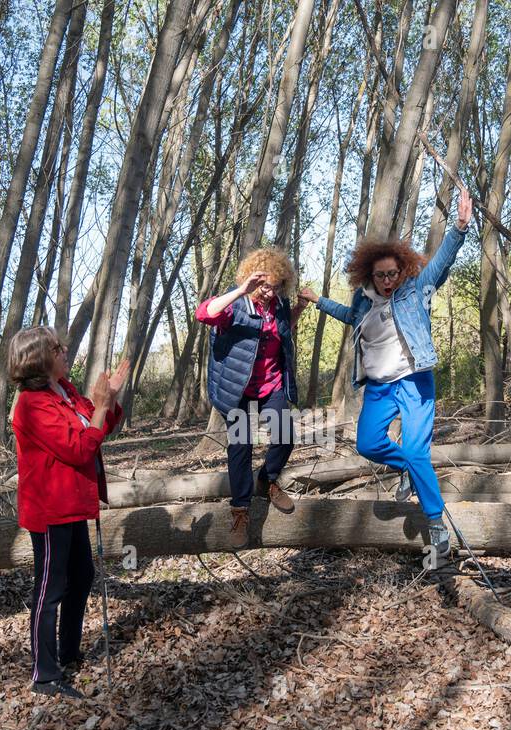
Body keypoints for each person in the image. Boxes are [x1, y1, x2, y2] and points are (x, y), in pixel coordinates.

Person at [299, 187, 472, 556]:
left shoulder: (416, 290)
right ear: (370, 276)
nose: (388, 281)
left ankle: (436, 522)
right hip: (378, 388)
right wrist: (317, 301)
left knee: (416, 450)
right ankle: (406, 468)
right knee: (368, 444)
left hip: (414, 383)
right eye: (380, 276)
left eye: (393, 273)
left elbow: (442, 260)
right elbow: (349, 318)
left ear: (403, 271)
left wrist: (458, 227)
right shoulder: (364, 302)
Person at [9, 326, 128, 699]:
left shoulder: (66, 390)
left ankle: (68, 652)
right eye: (57, 348)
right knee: (50, 586)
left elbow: (99, 427)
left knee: (82, 574)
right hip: (49, 509)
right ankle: (44, 675)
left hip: (74, 502)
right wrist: (102, 407)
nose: (65, 351)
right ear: (39, 359)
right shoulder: (32, 403)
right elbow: (78, 449)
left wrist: (108, 400)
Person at [196, 247, 308, 548]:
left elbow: (281, 334)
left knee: (285, 435)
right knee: (240, 446)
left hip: (271, 384)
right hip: (238, 390)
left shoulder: (279, 304)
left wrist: (295, 310)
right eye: (264, 286)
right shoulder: (234, 305)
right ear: (251, 280)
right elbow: (203, 313)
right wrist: (240, 291)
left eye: (276, 286)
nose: (270, 292)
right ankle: (241, 510)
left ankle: (267, 480)